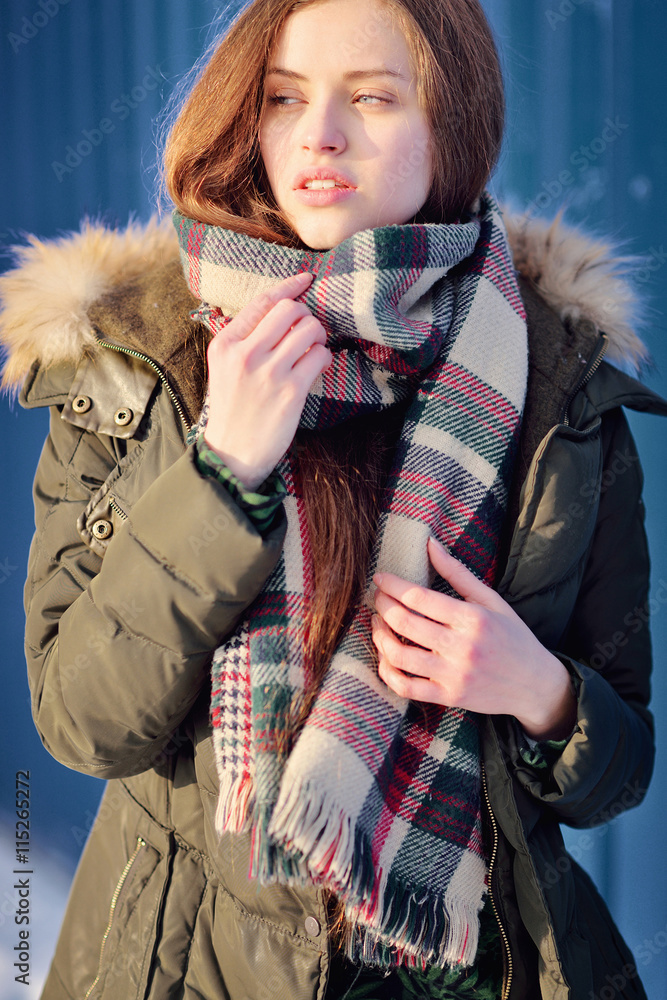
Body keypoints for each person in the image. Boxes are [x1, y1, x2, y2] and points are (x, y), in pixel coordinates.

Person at [1, 0, 665, 997]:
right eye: (284, 97)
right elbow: (84, 718)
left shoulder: (553, 385)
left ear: (452, 126)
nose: (319, 133)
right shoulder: (133, 363)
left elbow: (621, 765)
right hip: (196, 965)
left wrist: (539, 692)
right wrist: (222, 473)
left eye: (373, 98)